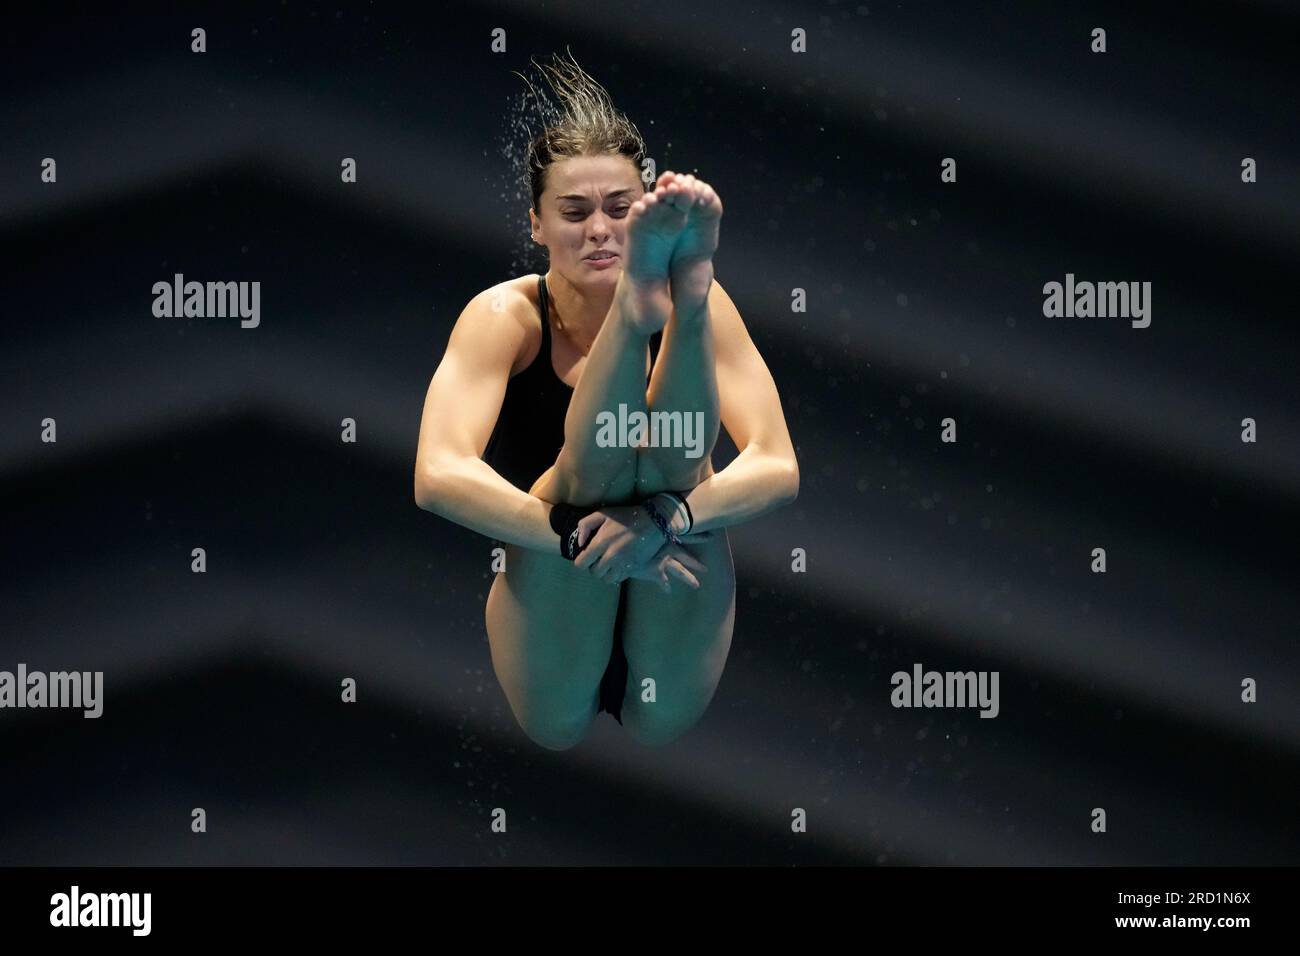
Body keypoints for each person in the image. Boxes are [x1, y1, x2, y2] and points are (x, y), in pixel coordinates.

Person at [414, 52, 798, 749]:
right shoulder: (504, 318)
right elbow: (437, 476)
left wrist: (666, 518)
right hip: (557, 586)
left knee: (681, 471)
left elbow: (778, 465)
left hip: (674, 562)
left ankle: (670, 298)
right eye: (574, 211)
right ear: (535, 225)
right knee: (588, 474)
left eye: (621, 210)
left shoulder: (711, 311)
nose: (599, 229)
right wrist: (570, 530)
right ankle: (637, 315)